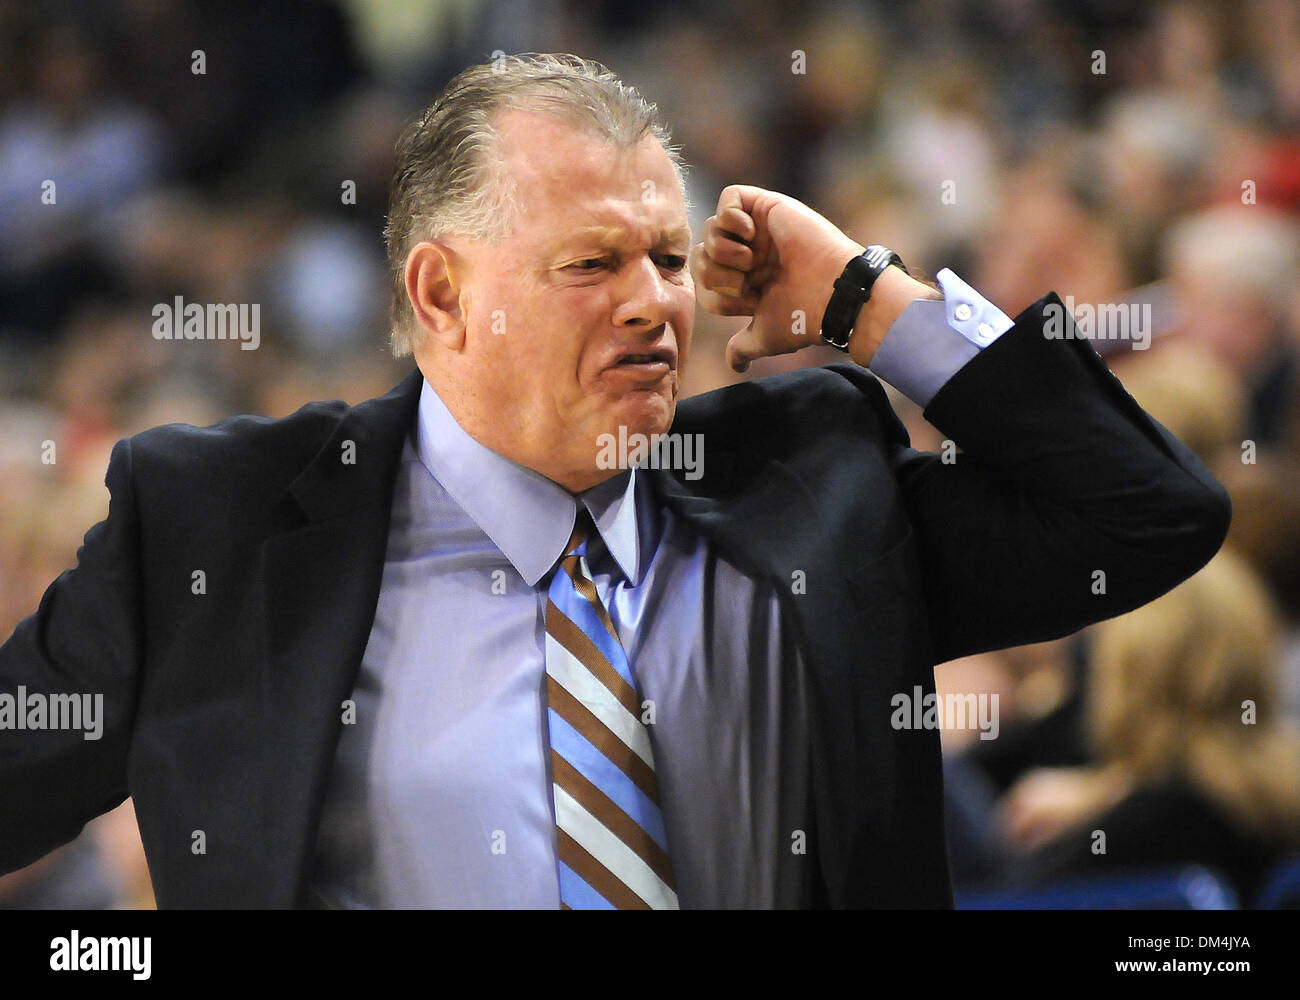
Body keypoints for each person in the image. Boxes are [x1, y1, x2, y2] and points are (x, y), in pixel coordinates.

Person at [0, 54, 1229, 908]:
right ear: (441, 295)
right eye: (592, 261)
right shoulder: (219, 526)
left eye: (671, 256)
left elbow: (1145, 510)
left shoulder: (813, 478)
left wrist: (867, 297)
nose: (654, 301)